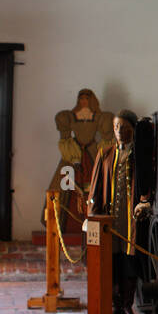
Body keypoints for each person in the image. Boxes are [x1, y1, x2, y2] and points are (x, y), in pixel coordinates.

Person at [86, 110, 152, 314]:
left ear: (132, 129)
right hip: (110, 220)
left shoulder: (139, 156)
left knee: (130, 262)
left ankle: (127, 306)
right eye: (116, 127)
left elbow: (146, 183)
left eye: (124, 127)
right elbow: (96, 187)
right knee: (111, 262)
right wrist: (92, 215)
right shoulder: (105, 154)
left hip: (131, 221)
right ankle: (115, 307)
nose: (119, 131)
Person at [44, 89, 114, 233]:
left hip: (92, 153)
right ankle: (68, 225)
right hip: (74, 153)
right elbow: (65, 136)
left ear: (91, 100)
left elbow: (106, 136)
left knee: (95, 184)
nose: (83, 101)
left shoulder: (99, 117)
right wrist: (73, 155)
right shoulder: (70, 116)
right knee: (66, 185)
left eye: (86, 99)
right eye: (81, 98)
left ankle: (94, 221)